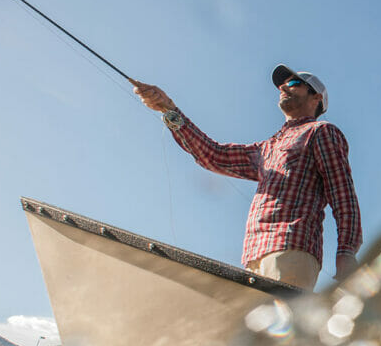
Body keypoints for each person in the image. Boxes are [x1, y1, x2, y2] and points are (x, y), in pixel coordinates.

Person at [132, 65, 362, 290]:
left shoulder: (321, 131)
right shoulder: (267, 147)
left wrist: (346, 251)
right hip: (253, 255)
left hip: (292, 248)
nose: (283, 87)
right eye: (281, 84)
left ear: (316, 98)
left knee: (282, 323)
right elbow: (214, 155)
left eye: (293, 83)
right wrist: (169, 109)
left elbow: (343, 194)